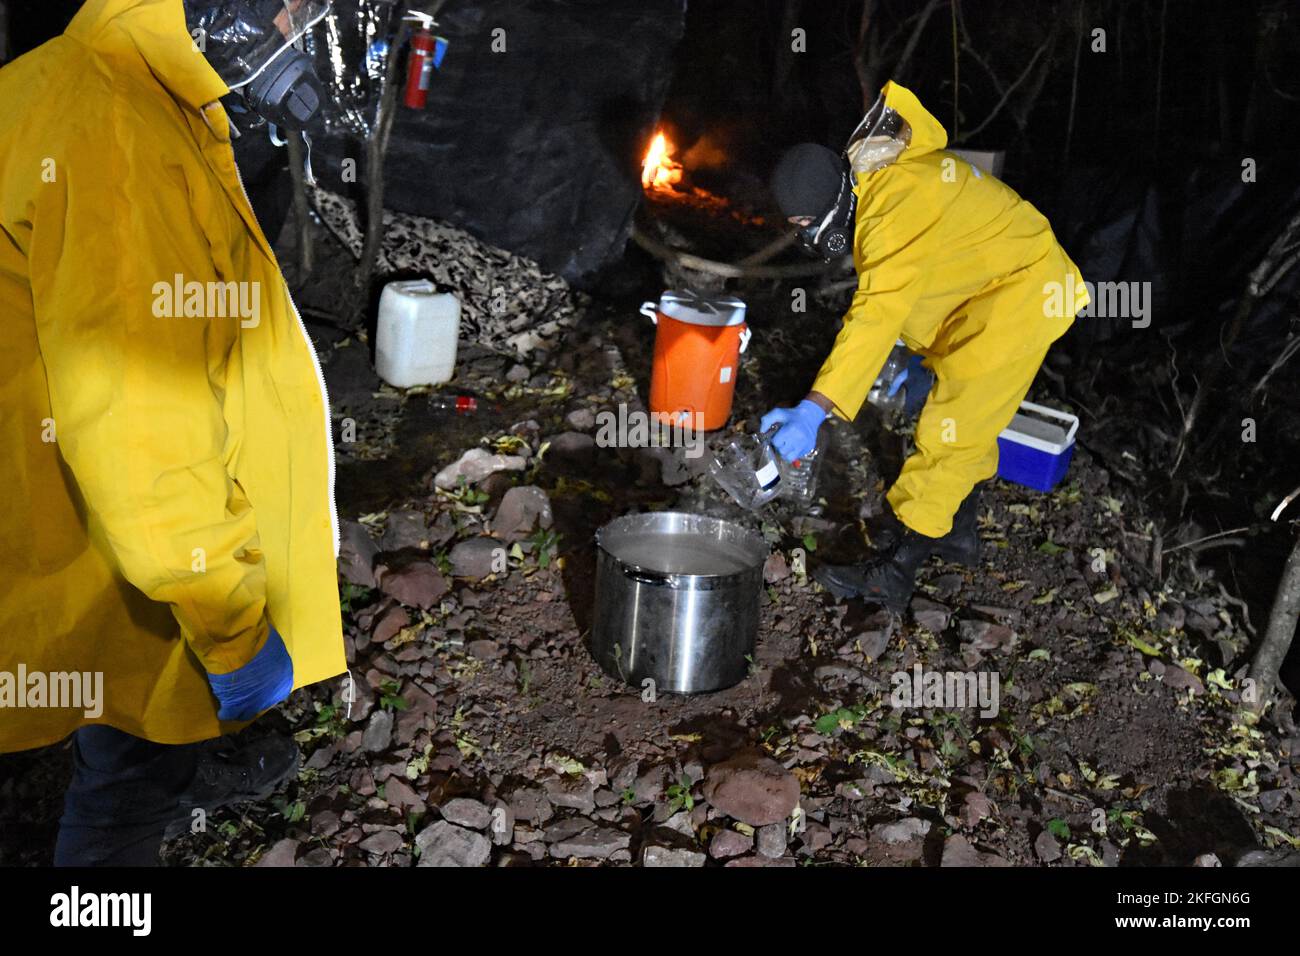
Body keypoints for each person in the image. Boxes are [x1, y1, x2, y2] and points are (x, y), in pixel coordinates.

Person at [0, 0, 342, 864]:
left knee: (114, 690)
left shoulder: (80, 69)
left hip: (40, 468)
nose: (298, 26)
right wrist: (226, 624)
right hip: (100, 511)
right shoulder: (123, 135)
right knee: (130, 762)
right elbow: (141, 425)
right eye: (293, 7)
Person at [763, 81, 1089, 612]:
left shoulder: (894, 203)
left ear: (829, 201)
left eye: (805, 223)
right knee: (971, 421)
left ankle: (893, 570)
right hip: (993, 291)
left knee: (949, 429)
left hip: (1028, 292)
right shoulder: (870, 191)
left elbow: (877, 311)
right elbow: (901, 290)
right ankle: (957, 536)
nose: (805, 236)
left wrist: (814, 409)